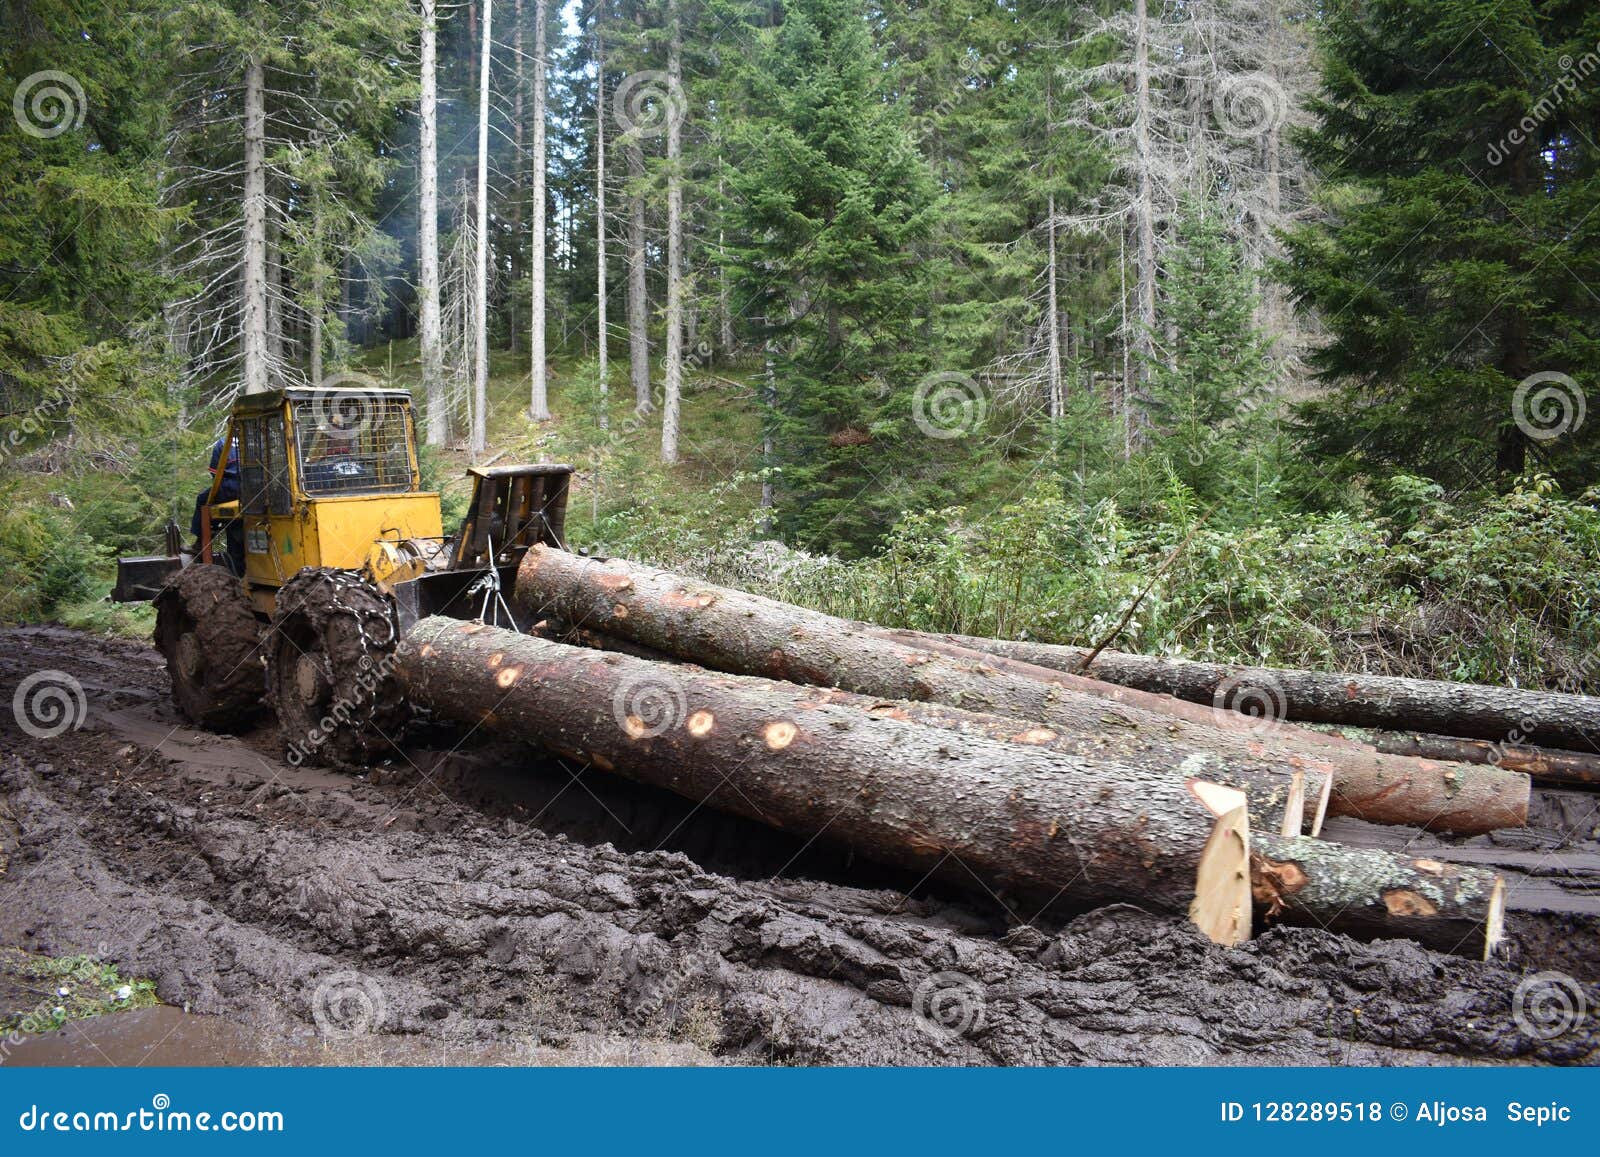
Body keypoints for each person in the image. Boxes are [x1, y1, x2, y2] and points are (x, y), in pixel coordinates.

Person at [190, 437, 244, 574]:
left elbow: (215, 472)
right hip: (254, 489)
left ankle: (200, 540)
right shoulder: (255, 439)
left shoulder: (223, 443)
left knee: (202, 500)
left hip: (229, 489)